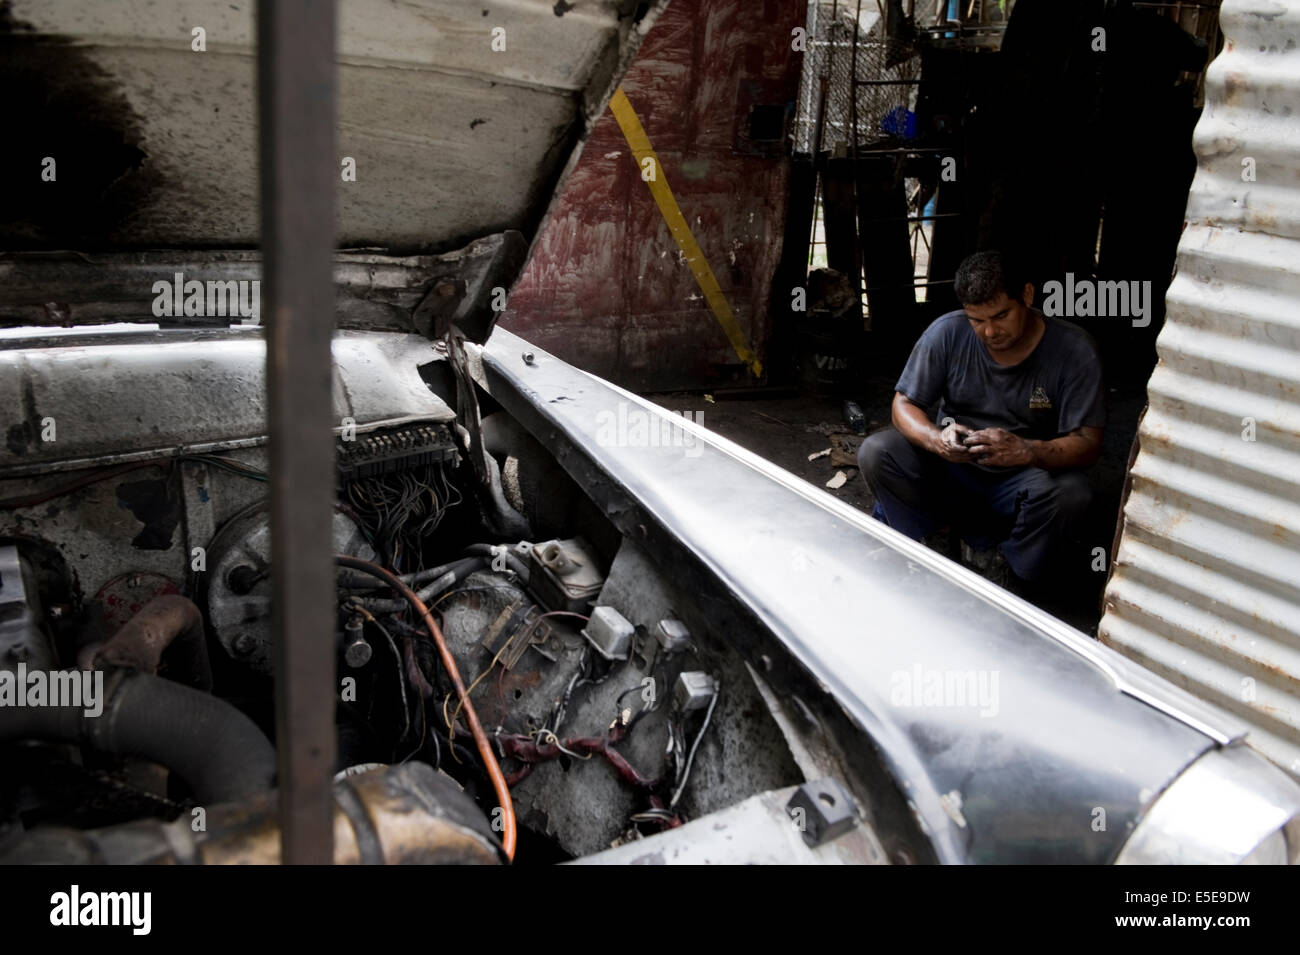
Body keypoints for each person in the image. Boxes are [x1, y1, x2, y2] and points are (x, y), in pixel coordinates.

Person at [857, 250, 1105, 589]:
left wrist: (1027, 450)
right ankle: (934, 541)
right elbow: (904, 404)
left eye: (1001, 315)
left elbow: (1088, 444)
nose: (989, 332)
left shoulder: (1074, 350)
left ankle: (1008, 570)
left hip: (1022, 482)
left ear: (1028, 296)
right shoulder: (946, 332)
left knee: (1075, 494)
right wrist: (936, 439)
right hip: (953, 470)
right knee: (878, 451)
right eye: (977, 320)